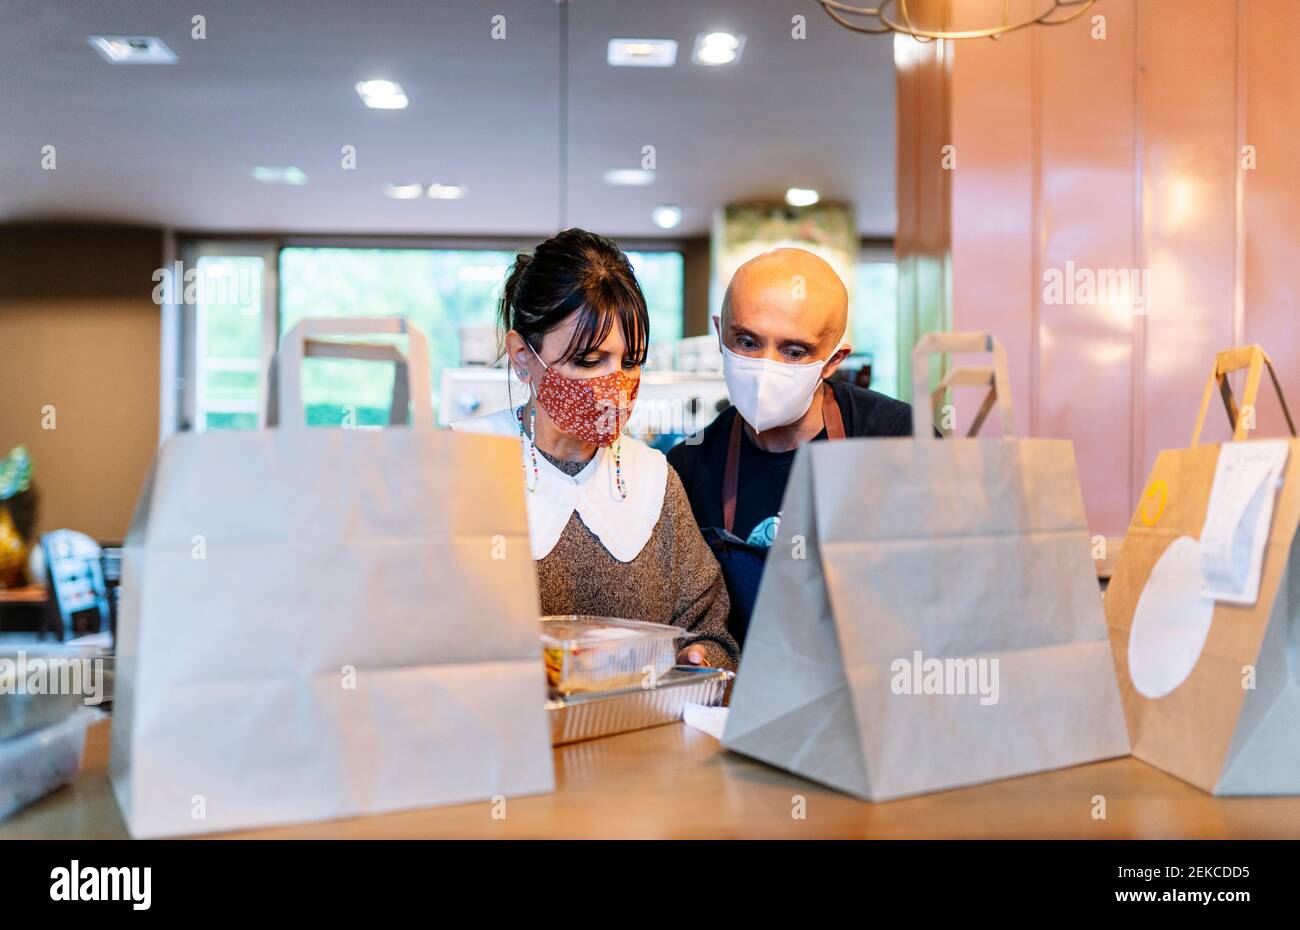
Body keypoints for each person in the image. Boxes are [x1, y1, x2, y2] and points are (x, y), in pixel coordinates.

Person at [452, 228, 738, 670]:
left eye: (630, 361)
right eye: (589, 361)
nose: (616, 384)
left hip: (635, 731)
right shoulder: (460, 462)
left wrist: (701, 658)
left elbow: (709, 631)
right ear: (523, 356)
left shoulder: (654, 480)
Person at [668, 247, 913, 647]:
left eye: (794, 351)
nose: (766, 367)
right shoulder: (689, 466)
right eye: (747, 342)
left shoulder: (898, 439)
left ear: (834, 360)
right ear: (719, 334)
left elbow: (947, 592)